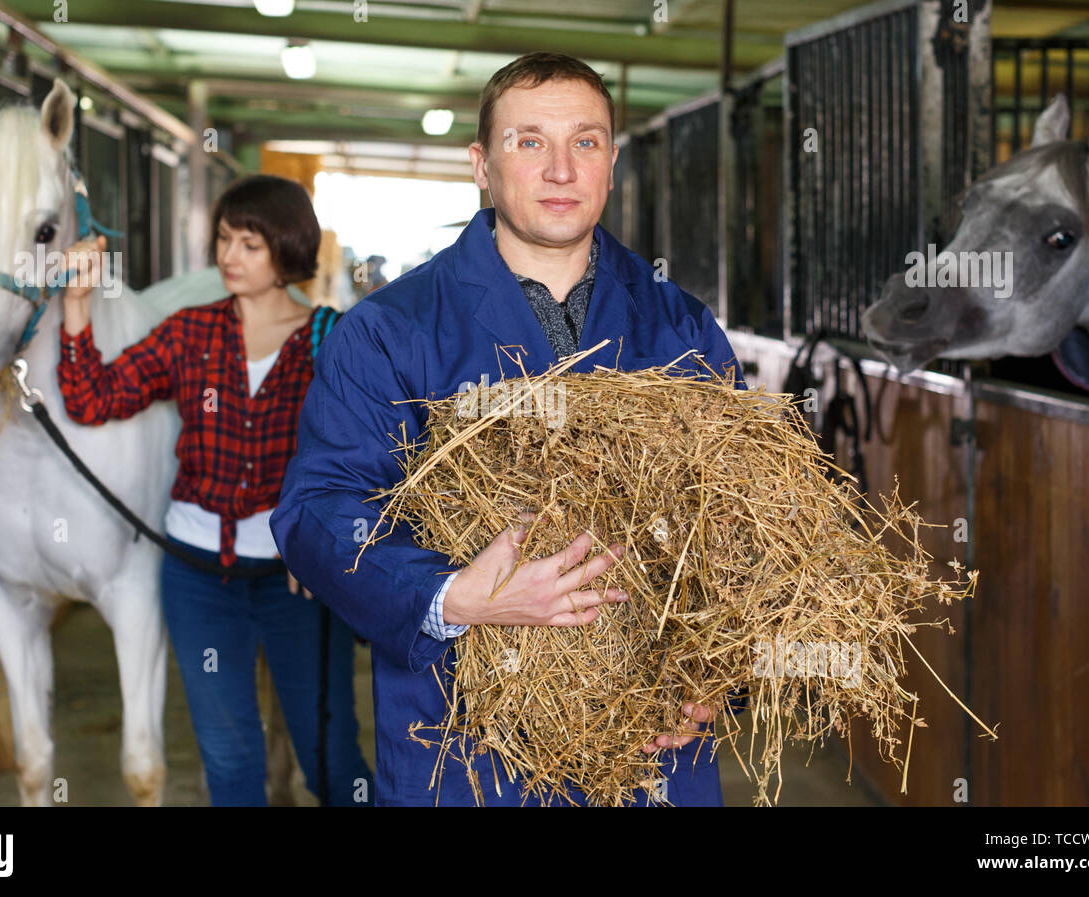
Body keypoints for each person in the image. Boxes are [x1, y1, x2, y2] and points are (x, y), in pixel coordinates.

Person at [270, 53, 744, 806]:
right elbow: (319, 510)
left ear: (612, 164)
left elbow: (738, 520)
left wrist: (717, 672)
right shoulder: (391, 330)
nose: (560, 169)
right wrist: (455, 594)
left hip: (653, 750)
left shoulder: (679, 323)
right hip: (466, 751)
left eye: (585, 142)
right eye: (528, 142)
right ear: (482, 166)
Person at [56, 174, 372, 806]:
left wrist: (327, 545)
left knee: (330, 758)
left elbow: (367, 458)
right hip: (199, 579)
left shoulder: (332, 339)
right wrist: (76, 305)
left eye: (250, 244)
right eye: (225, 239)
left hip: (298, 582)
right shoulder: (188, 333)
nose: (229, 256)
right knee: (230, 762)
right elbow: (94, 399)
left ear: (287, 249)